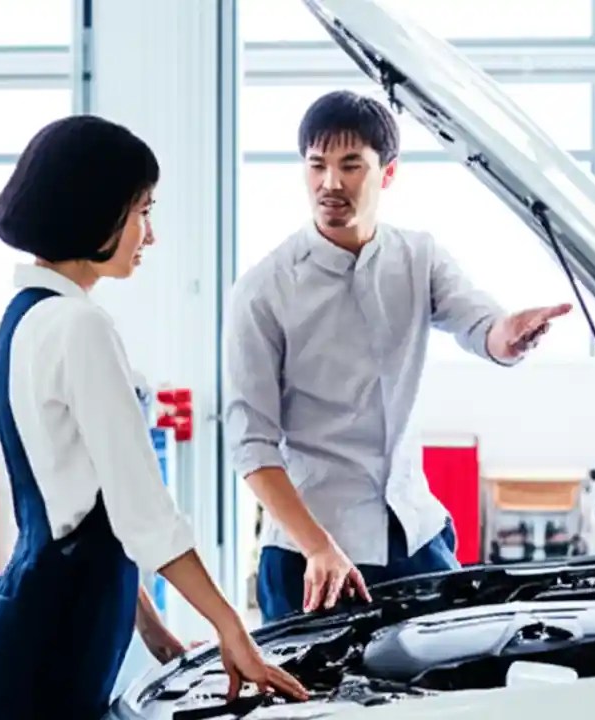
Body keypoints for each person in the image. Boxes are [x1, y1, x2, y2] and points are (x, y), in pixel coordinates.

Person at [0, 115, 308, 720]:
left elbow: (88, 513)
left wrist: (154, 631)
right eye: (143, 211)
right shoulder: (80, 327)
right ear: (95, 213)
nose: (151, 235)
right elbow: (144, 512)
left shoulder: (26, 316)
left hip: (31, 625)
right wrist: (233, 632)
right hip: (55, 645)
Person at [222, 90, 572, 623]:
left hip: (415, 535)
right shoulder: (262, 290)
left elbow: (481, 324)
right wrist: (317, 547)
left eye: (350, 165)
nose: (330, 183)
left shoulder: (418, 256)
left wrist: (510, 335)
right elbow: (252, 446)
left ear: (387, 174)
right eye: (316, 166)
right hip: (312, 552)